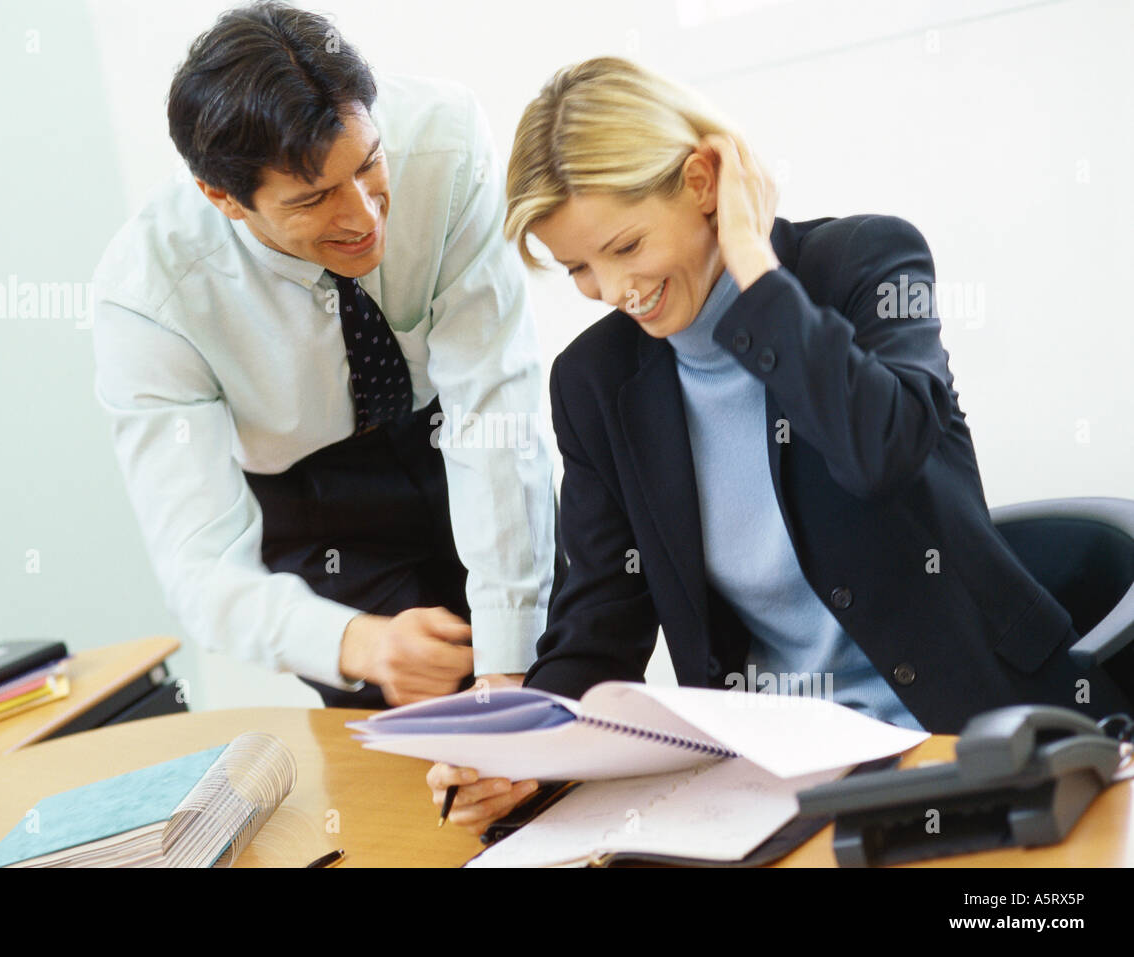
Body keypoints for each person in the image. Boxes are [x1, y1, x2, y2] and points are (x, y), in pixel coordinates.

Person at [428, 55, 1130, 833]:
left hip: (973, 733)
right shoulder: (594, 383)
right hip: (781, 776)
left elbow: (880, 451)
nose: (614, 290)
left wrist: (755, 270)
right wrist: (518, 749)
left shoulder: (867, 264)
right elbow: (599, 620)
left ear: (701, 183)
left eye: (625, 246)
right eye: (579, 270)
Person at [90, 1, 559, 709]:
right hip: (315, 502)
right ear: (223, 197)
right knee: (422, 752)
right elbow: (199, 564)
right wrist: (358, 643)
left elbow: (494, 400)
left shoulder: (445, 140)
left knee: (560, 678)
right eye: (313, 199)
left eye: (368, 166)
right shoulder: (149, 297)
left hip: (458, 426)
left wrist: (510, 663)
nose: (366, 218)